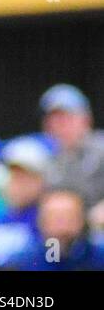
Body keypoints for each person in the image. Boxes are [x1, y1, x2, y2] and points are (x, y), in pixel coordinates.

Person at [0, 137, 49, 269]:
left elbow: (55, 259)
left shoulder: (49, 219)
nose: (18, 185)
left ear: (41, 181)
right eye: (14, 177)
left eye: (26, 178)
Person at [39, 84, 104, 221]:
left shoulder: (100, 147)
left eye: (67, 118)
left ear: (86, 119)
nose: (60, 125)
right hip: (73, 230)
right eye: (54, 120)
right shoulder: (50, 159)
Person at [4, 188, 104, 271]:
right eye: (55, 218)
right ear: (42, 222)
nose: (62, 227)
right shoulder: (24, 262)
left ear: (81, 220)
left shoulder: (98, 258)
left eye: (69, 217)